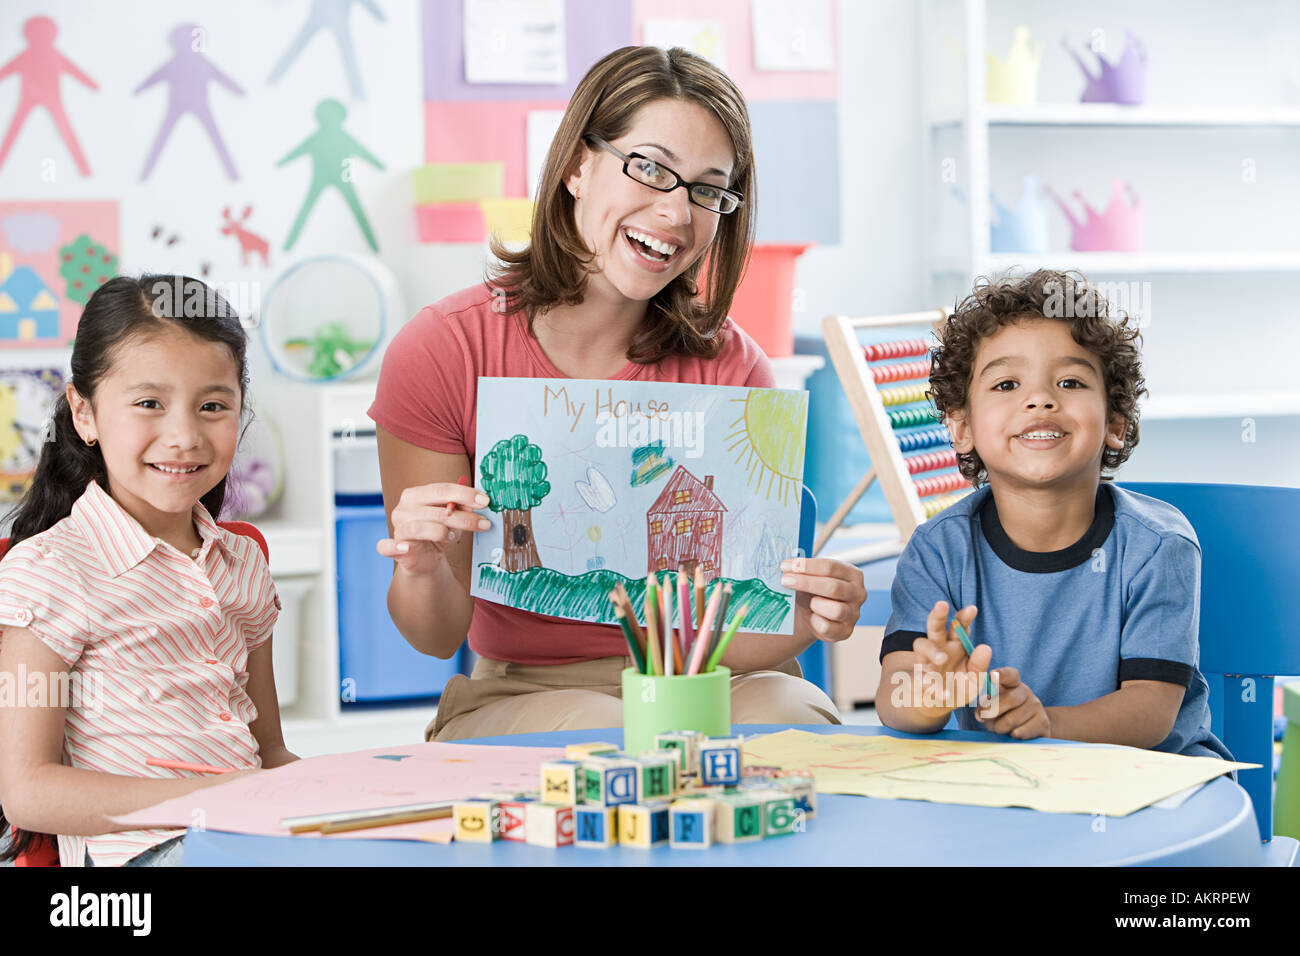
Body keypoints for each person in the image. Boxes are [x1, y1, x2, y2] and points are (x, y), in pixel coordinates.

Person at [369, 46, 867, 741]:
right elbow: (434, 635)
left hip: (708, 679)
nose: (674, 212)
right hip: (529, 688)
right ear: (577, 164)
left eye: (706, 190)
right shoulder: (441, 349)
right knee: (612, 742)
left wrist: (805, 619)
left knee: (795, 726)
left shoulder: (734, 367)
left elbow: (739, 635)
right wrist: (421, 567)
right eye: (651, 168)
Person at [0, 275, 296, 867]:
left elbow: (268, 751)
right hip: (145, 854)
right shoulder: (51, 570)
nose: (184, 436)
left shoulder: (242, 562)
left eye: (213, 406)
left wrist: (346, 797)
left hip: (248, 838)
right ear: (84, 413)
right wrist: (212, 800)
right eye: (149, 404)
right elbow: (28, 792)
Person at [875, 269, 1230, 760]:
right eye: (1005, 383)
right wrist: (933, 692)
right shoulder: (938, 549)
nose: (1039, 398)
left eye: (1069, 381)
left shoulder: (1159, 546)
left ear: (1116, 424)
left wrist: (1046, 725)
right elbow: (895, 699)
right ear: (962, 429)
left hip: (1156, 783)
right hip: (1010, 788)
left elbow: (1152, 710)